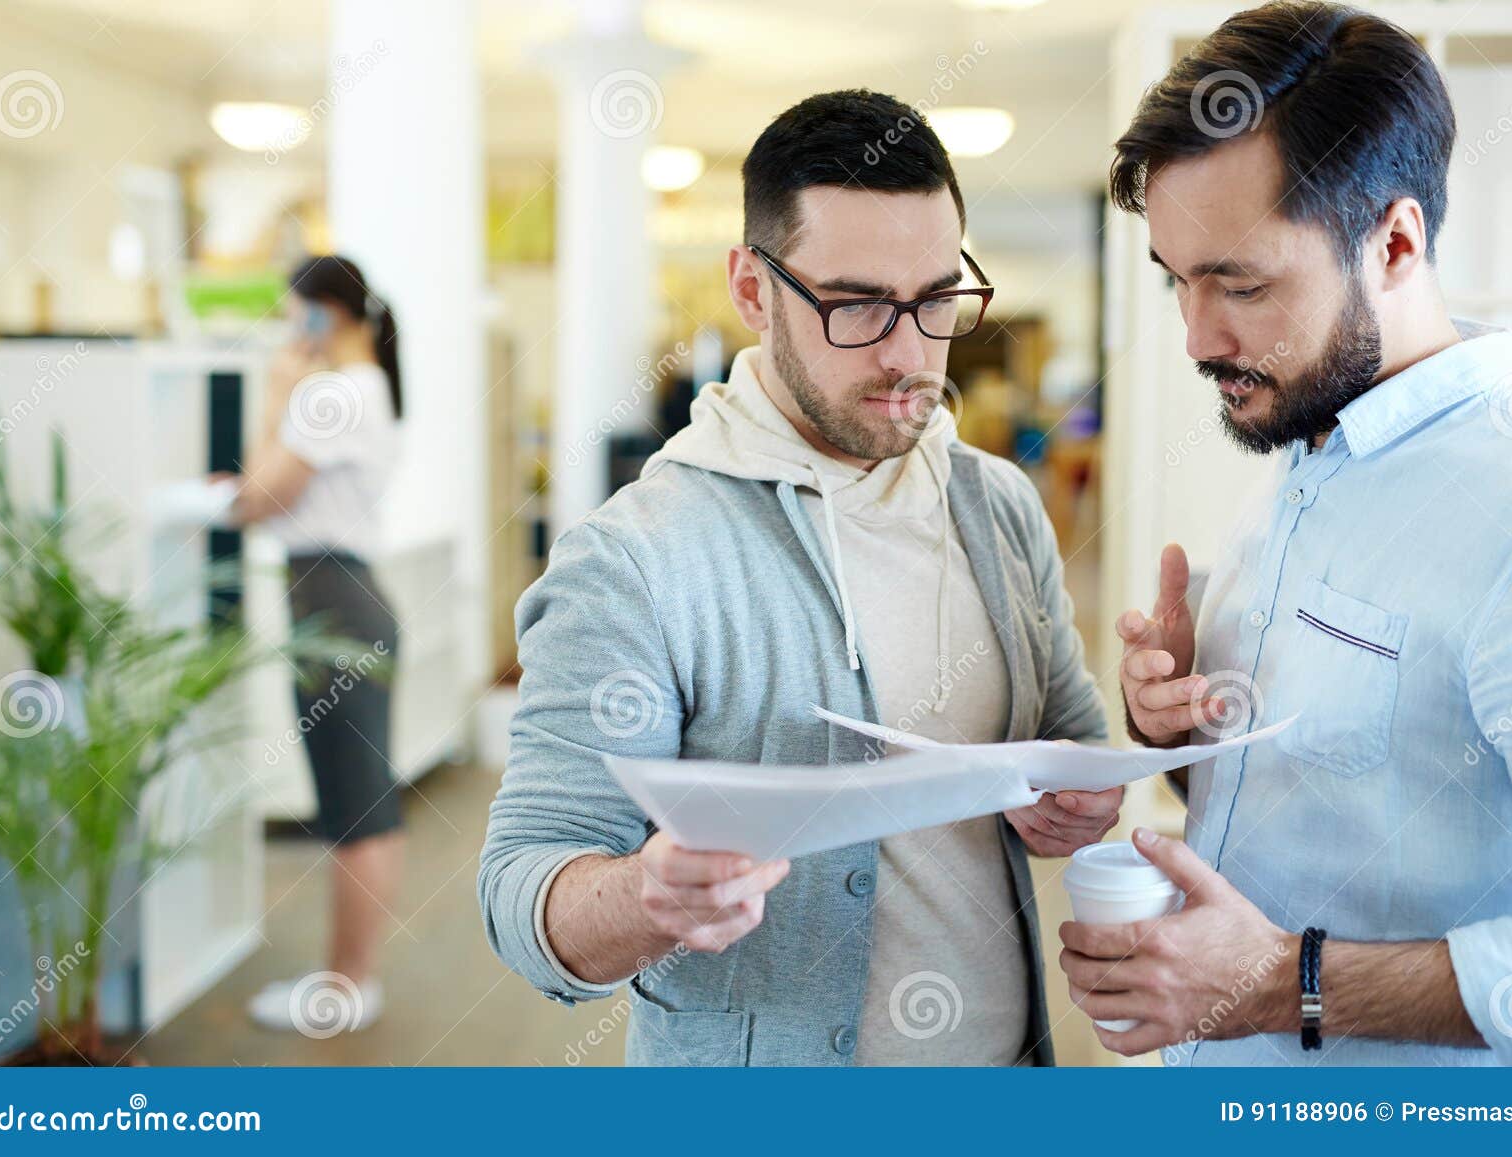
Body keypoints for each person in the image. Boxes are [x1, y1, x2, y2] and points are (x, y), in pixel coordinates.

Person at [479, 90, 1120, 1066]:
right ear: (752, 289)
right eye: (856, 304)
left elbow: (1067, 743)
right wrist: (647, 898)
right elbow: (522, 888)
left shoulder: (998, 505)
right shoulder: (636, 556)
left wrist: (1079, 794)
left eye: (936, 299)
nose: (909, 353)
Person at [1059, 0, 1512, 1066]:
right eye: (1178, 281)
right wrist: (1183, 732)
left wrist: (1281, 983)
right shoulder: (1314, 438)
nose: (1198, 337)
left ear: (1394, 241)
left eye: (1241, 284)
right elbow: (1340, 788)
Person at [220, 254, 405, 1033]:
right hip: (341, 602)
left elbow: (255, 498)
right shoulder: (364, 385)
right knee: (357, 802)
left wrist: (274, 394)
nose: (288, 327)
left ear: (324, 310)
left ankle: (347, 986)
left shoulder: (336, 393)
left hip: (333, 608)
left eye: (292, 310)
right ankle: (350, 978)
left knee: (354, 807)